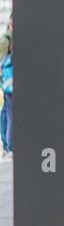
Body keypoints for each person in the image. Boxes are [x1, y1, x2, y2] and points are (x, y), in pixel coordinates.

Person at [0, 17, 12, 157]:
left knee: (6, 112)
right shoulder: (6, 41)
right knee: (6, 114)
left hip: (8, 82)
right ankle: (7, 145)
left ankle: (7, 145)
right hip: (7, 83)